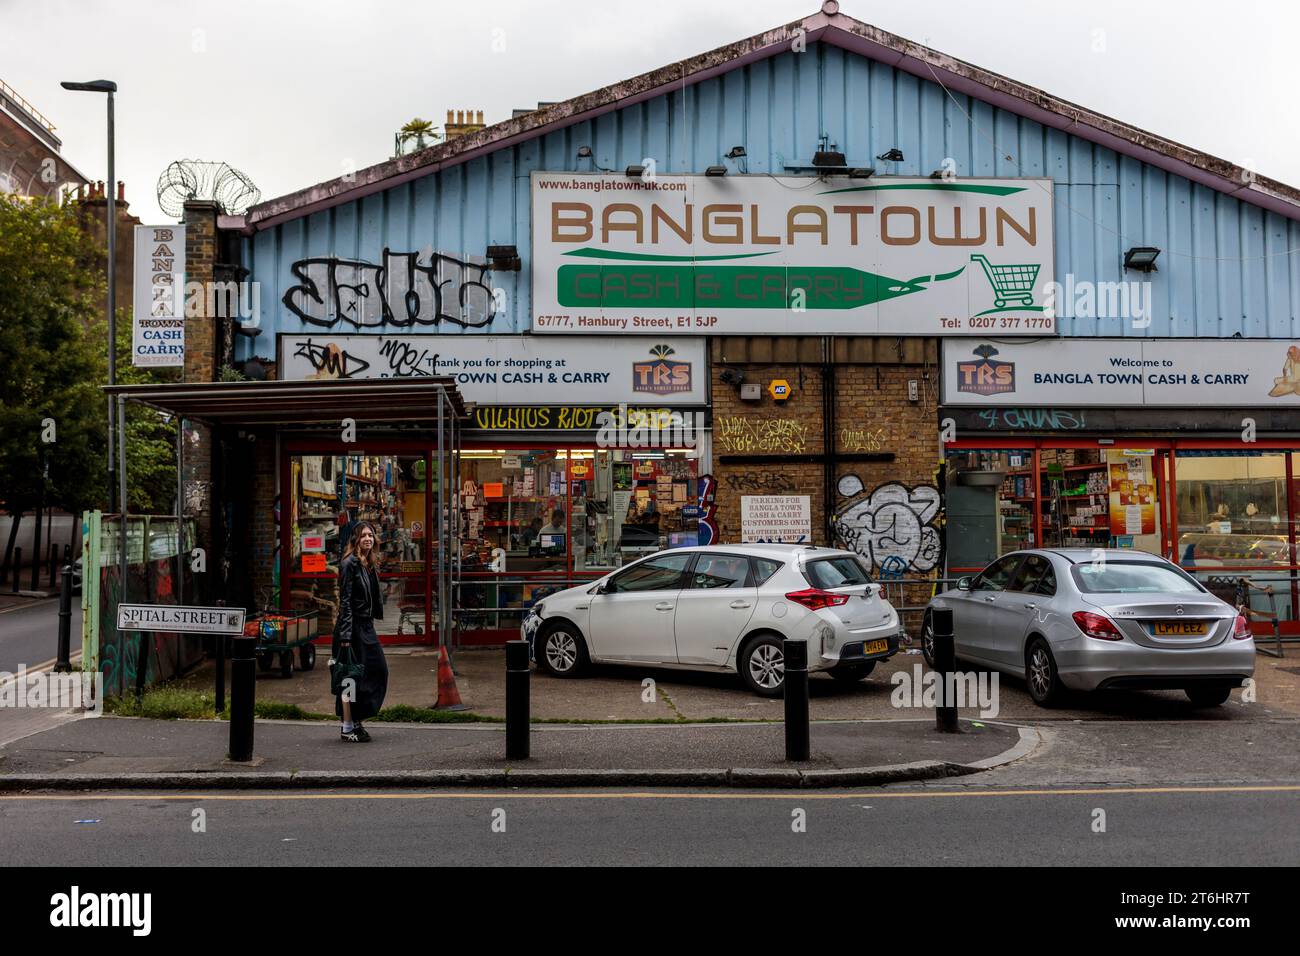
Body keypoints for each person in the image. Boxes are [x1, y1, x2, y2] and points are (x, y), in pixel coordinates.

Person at [332, 520, 389, 742]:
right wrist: (346, 636)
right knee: (349, 677)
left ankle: (356, 719)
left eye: (371, 535)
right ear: (355, 539)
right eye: (363, 535)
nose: (368, 538)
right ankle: (348, 726)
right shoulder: (350, 563)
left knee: (377, 671)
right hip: (352, 628)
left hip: (365, 625)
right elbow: (345, 602)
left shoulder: (368, 563)